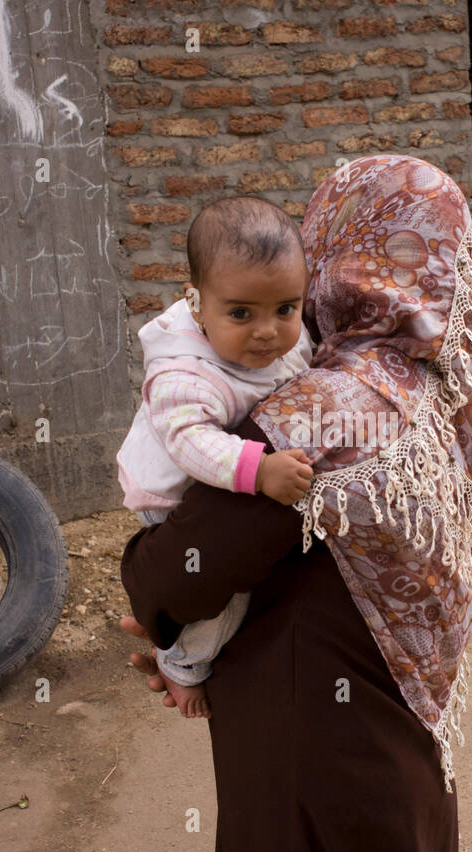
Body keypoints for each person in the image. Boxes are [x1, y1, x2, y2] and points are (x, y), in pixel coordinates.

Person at [119, 154, 472, 852]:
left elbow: (179, 572)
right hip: (399, 716)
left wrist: (161, 615)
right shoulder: (442, 386)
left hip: (311, 734)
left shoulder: (324, 408)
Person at [115, 196, 315, 717]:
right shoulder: (182, 374)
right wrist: (260, 469)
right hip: (172, 490)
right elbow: (191, 444)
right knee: (226, 589)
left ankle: (159, 614)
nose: (267, 330)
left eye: (285, 309)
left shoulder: (278, 340)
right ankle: (180, 661)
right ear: (197, 304)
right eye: (241, 313)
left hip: (221, 477)